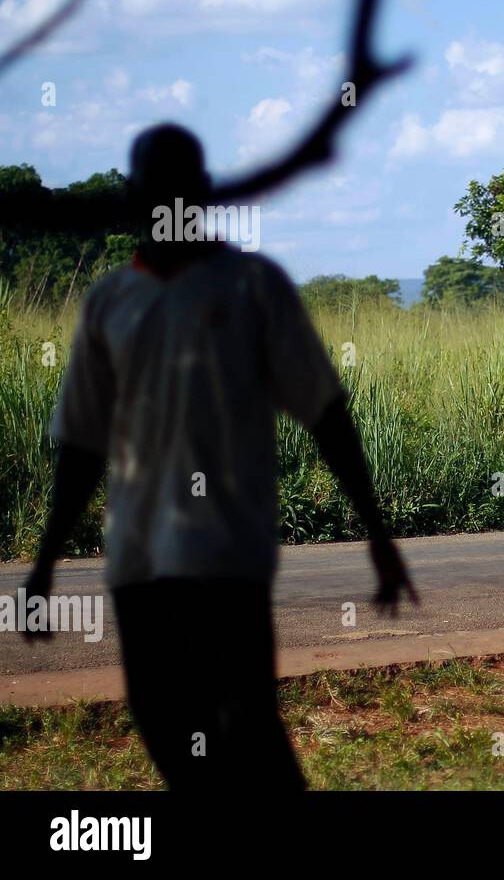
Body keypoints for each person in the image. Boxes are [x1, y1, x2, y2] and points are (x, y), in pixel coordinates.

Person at [22, 123, 418, 791]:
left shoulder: (252, 288)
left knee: (249, 732)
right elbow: (81, 447)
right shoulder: (110, 302)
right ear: (135, 194)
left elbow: (326, 414)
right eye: (154, 186)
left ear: (201, 192)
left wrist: (379, 534)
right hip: (139, 566)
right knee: (169, 733)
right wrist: (43, 565)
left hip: (229, 559)